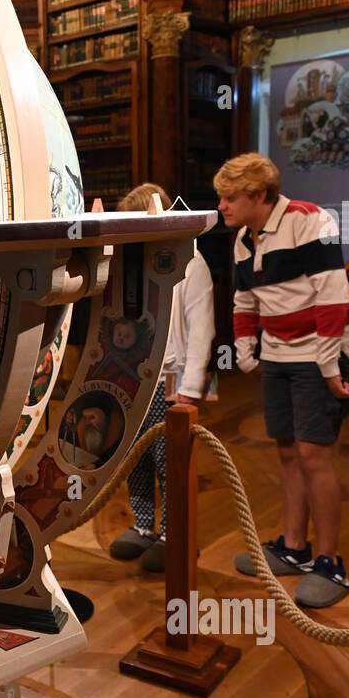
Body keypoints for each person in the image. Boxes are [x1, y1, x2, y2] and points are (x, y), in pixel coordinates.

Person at [215, 152, 349, 607]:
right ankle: (294, 548)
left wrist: (331, 367)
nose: (222, 206)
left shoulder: (310, 221)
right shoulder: (243, 240)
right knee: (289, 451)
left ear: (259, 195)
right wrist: (245, 351)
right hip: (278, 353)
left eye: (230, 197)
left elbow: (334, 299)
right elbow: (244, 301)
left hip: (321, 352)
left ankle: (330, 563)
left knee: (316, 455)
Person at [109, 182, 215, 572]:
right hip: (136, 377)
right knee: (135, 458)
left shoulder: (192, 263)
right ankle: (143, 525)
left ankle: (176, 532)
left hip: (173, 377)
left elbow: (202, 328)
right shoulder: (132, 264)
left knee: (171, 461)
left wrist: (190, 388)